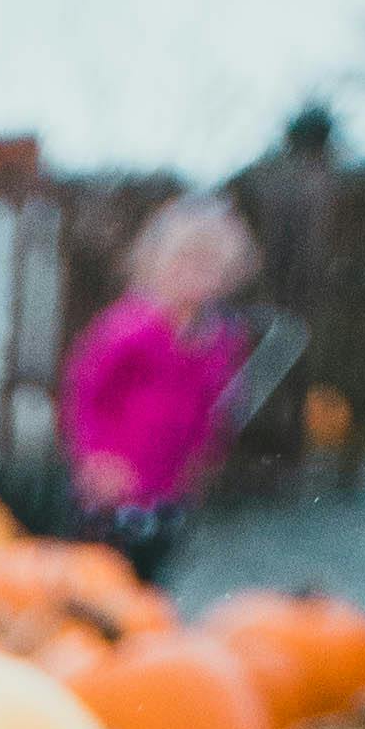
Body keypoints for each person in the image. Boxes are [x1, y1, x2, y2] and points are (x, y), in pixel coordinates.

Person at [59, 191, 262, 579]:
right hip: (114, 485)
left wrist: (203, 451)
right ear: (155, 262)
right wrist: (94, 455)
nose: (192, 275)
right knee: (100, 575)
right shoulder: (129, 327)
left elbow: (212, 402)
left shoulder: (219, 340)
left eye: (208, 266)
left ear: (228, 276)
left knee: (153, 571)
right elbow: (87, 391)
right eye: (182, 261)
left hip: (167, 486)